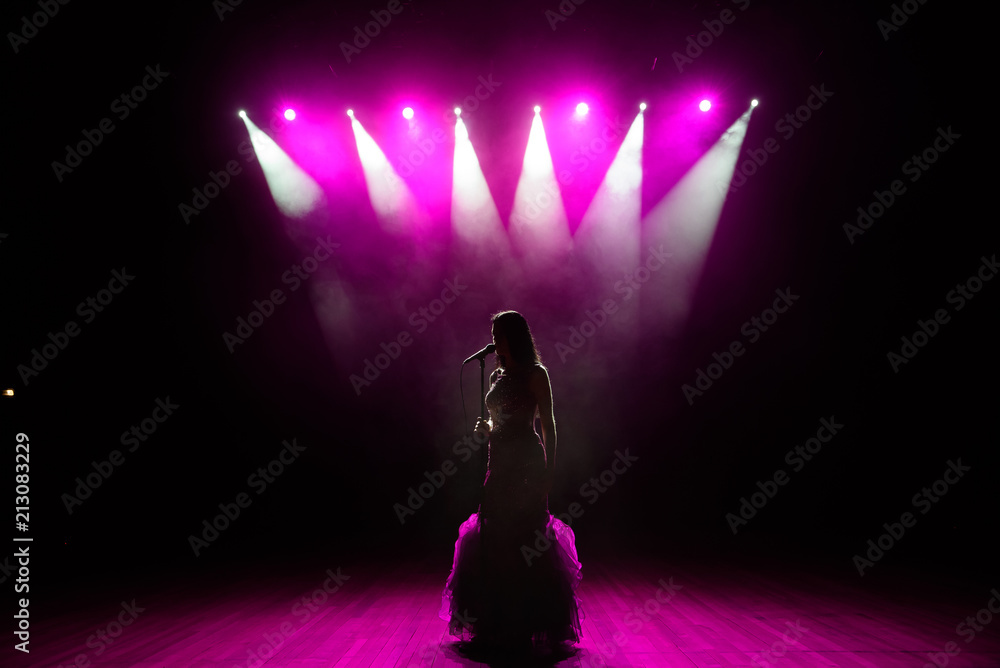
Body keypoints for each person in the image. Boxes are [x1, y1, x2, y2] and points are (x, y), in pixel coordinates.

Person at [439, 310, 583, 655]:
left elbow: (548, 423)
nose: (492, 340)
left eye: (498, 334)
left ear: (513, 337)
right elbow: (496, 419)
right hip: (498, 462)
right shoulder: (497, 375)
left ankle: (529, 620)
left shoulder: (536, 373)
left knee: (527, 535)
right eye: (491, 333)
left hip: (525, 462)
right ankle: (496, 620)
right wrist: (487, 429)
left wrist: (550, 469)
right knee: (493, 534)